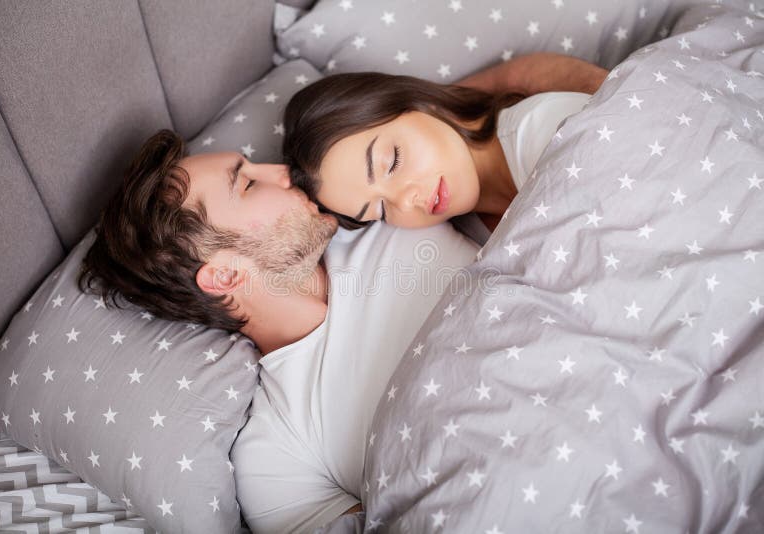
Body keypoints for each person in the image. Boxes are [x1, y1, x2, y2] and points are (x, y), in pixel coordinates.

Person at [79, 129, 479, 532]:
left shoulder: (385, 212)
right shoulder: (279, 457)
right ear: (224, 274)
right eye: (249, 183)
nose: (284, 171)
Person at [283, 52, 609, 239]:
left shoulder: (546, 129)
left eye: (393, 161)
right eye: (379, 210)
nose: (406, 200)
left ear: (419, 104)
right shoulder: (469, 239)